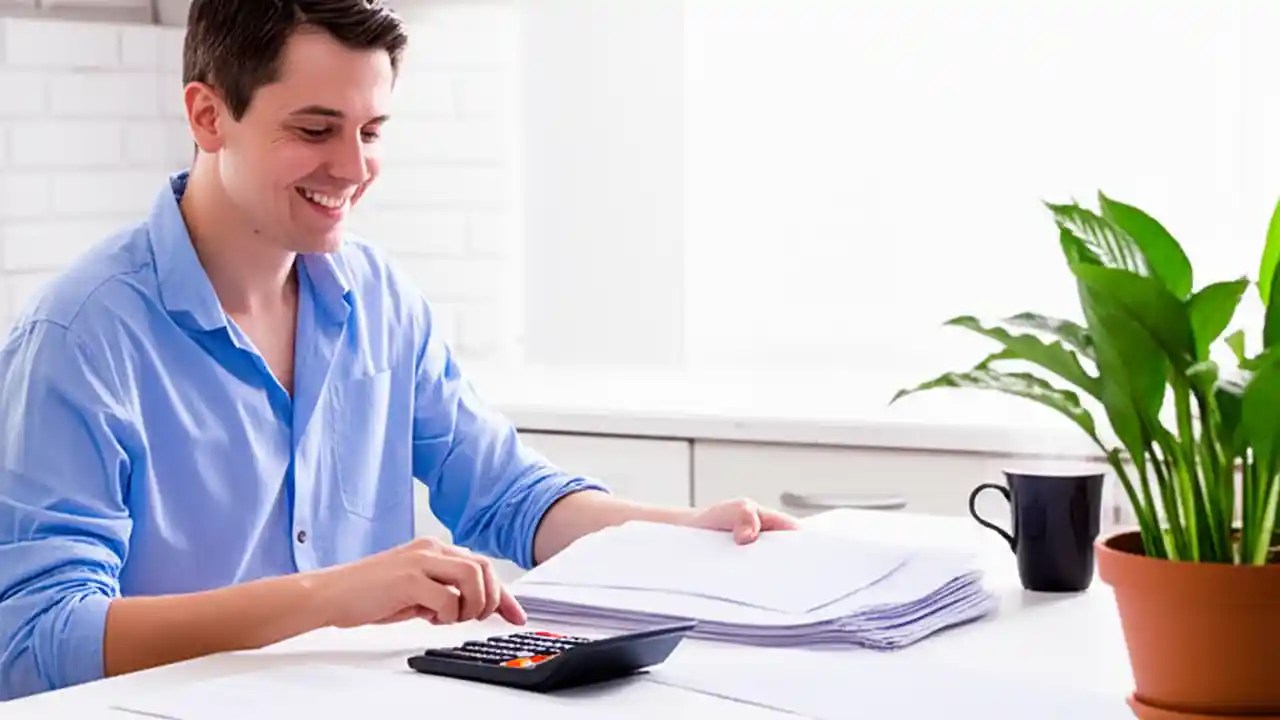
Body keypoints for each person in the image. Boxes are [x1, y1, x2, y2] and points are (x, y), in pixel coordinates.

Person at [0, 0, 798, 702]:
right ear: (209, 117)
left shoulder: (377, 302)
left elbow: (505, 495)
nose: (352, 169)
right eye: (315, 130)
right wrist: (333, 595)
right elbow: (38, 644)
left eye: (371, 130)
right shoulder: (81, 339)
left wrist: (683, 532)